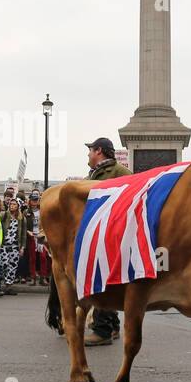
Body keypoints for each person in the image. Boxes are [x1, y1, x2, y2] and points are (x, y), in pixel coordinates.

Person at [82, 137, 132, 345]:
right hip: (96, 232)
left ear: (99, 151)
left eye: (90, 150)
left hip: (111, 233)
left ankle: (102, 330)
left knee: (100, 279)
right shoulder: (92, 175)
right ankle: (112, 327)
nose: (88, 155)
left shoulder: (121, 173)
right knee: (107, 279)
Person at [0, 198, 25, 296]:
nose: (12, 206)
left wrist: (22, 247)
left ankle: (9, 285)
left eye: (14, 204)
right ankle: (1, 280)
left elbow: (23, 234)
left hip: (15, 245)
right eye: (11, 204)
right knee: (4, 263)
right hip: (4, 244)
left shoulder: (21, 218)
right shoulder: (4, 215)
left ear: (18, 206)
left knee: (13, 265)